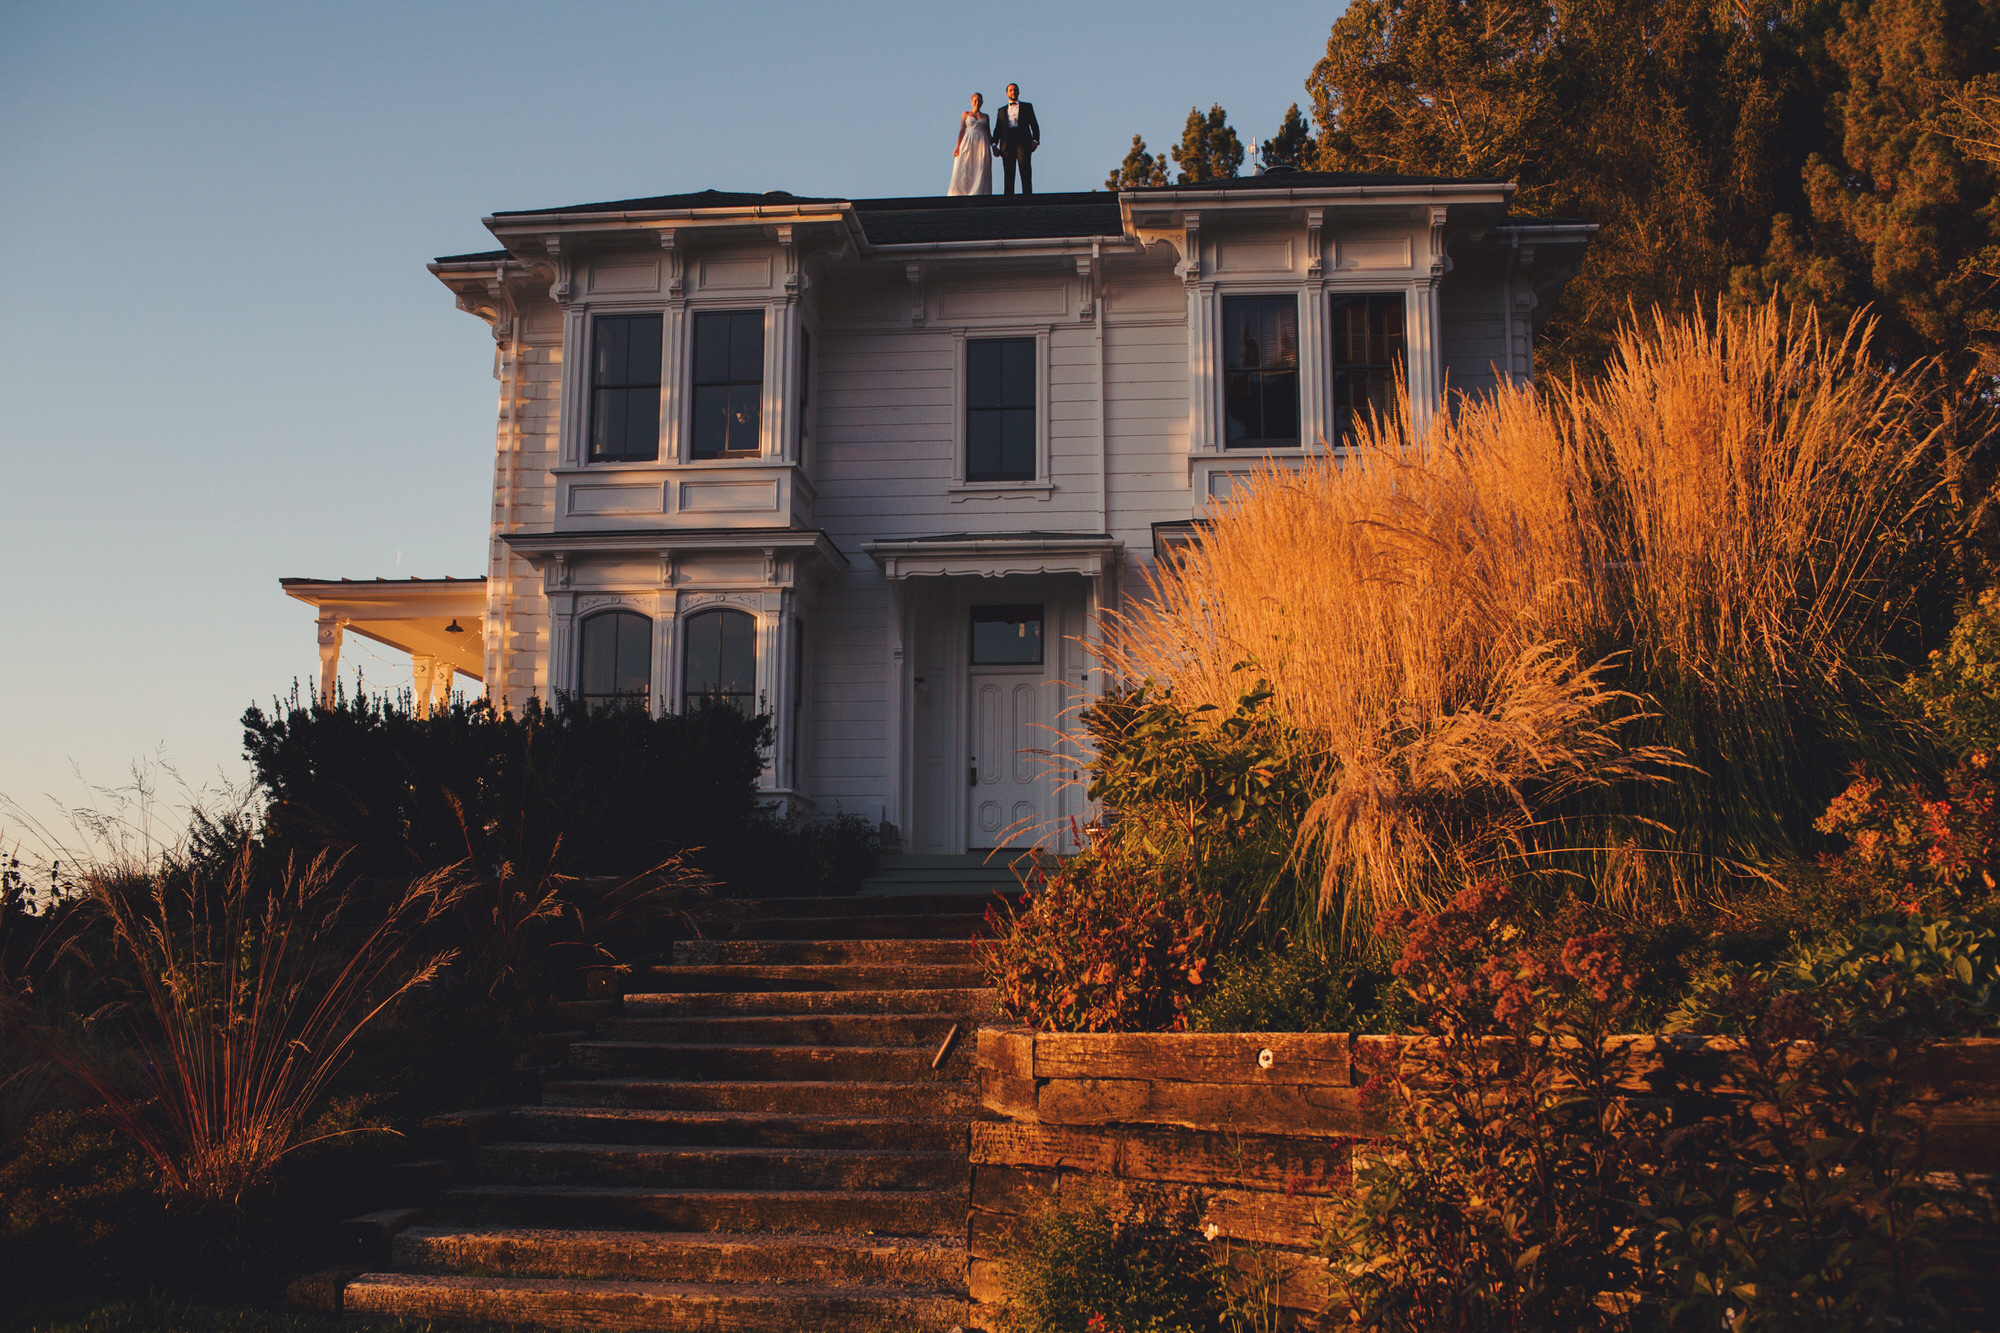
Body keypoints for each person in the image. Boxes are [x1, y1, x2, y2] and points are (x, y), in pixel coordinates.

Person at [992, 83, 1040, 196]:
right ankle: (1008, 198)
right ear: (1007, 93)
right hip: (1007, 142)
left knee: (1025, 169)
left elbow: (1034, 124)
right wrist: (994, 144)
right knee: (1008, 172)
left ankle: (1027, 196)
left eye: (1015, 90)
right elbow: (998, 129)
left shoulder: (1027, 106)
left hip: (1023, 141)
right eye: (1011, 90)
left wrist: (1035, 140)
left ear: (1018, 92)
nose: (1013, 92)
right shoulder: (1001, 110)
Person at [947, 92, 993, 196]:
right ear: (971, 101)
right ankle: (962, 191)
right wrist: (957, 146)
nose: (977, 102)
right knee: (966, 164)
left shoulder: (985, 116)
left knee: (981, 166)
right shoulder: (966, 114)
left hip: (982, 143)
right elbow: (962, 130)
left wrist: (994, 146)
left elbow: (988, 133)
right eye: (975, 100)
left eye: (979, 101)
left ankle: (979, 192)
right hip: (968, 141)